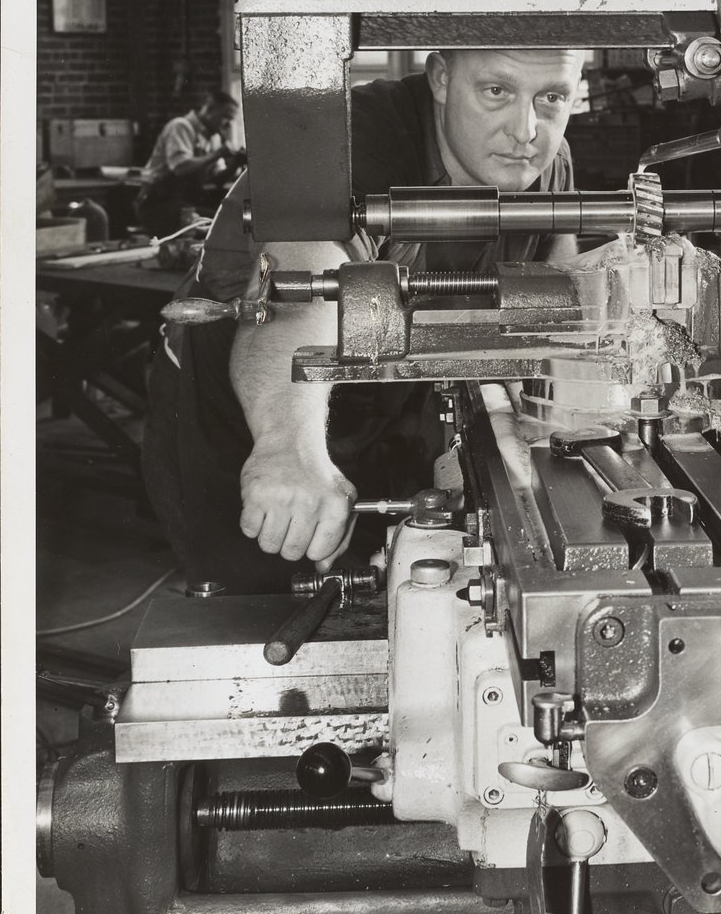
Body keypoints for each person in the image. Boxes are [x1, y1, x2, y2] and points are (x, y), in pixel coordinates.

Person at [141, 48, 585, 593]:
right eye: (497, 91)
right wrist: (288, 448)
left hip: (380, 400)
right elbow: (300, 280)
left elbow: (561, 291)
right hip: (256, 409)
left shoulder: (549, 160)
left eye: (552, 96)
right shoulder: (350, 138)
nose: (526, 130)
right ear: (441, 78)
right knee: (254, 606)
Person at [136, 91, 246, 238]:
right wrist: (216, 154)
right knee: (215, 228)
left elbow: (217, 179)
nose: (227, 124)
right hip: (157, 204)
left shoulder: (213, 137)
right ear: (209, 109)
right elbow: (180, 168)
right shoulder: (181, 127)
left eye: (231, 120)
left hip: (184, 203)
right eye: (225, 117)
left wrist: (235, 164)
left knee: (224, 222)